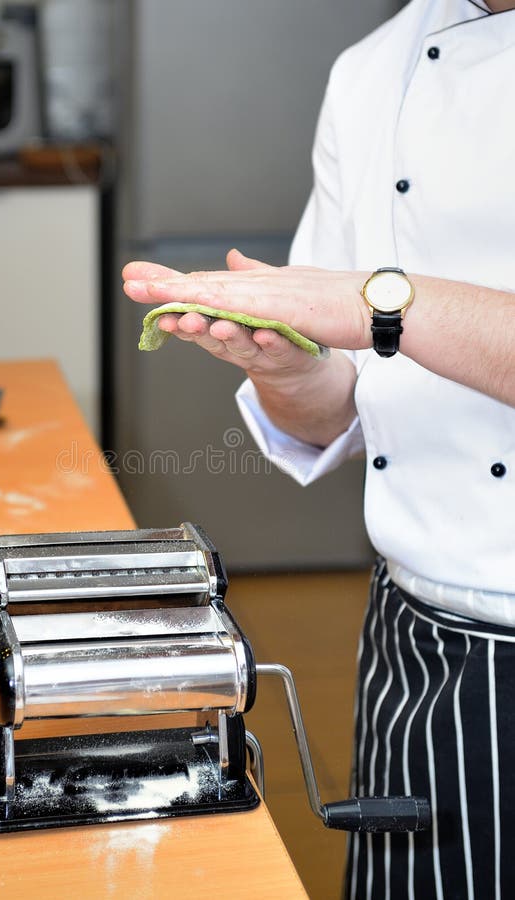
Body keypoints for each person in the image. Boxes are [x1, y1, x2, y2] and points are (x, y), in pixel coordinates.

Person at [123, 0, 515, 897]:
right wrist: (287, 373)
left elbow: (369, 311)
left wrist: (383, 305)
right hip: (416, 650)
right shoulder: (372, 69)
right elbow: (335, 403)